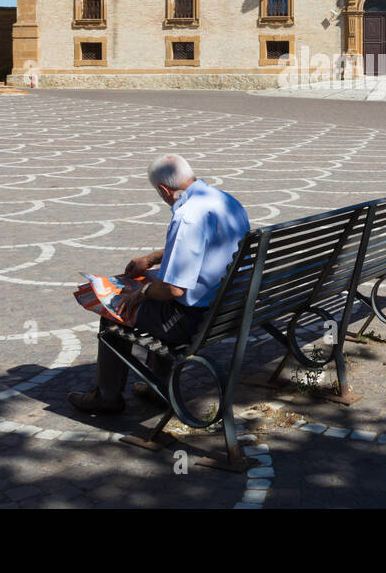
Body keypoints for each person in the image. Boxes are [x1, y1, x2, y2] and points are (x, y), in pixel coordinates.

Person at [68, 154, 250, 415]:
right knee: (151, 291)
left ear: (164, 190)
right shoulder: (225, 201)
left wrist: (141, 293)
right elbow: (200, 247)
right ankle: (157, 387)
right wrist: (151, 259)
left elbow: (174, 290)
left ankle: (107, 396)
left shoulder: (187, 215)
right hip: (231, 308)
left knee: (113, 309)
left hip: (194, 321)